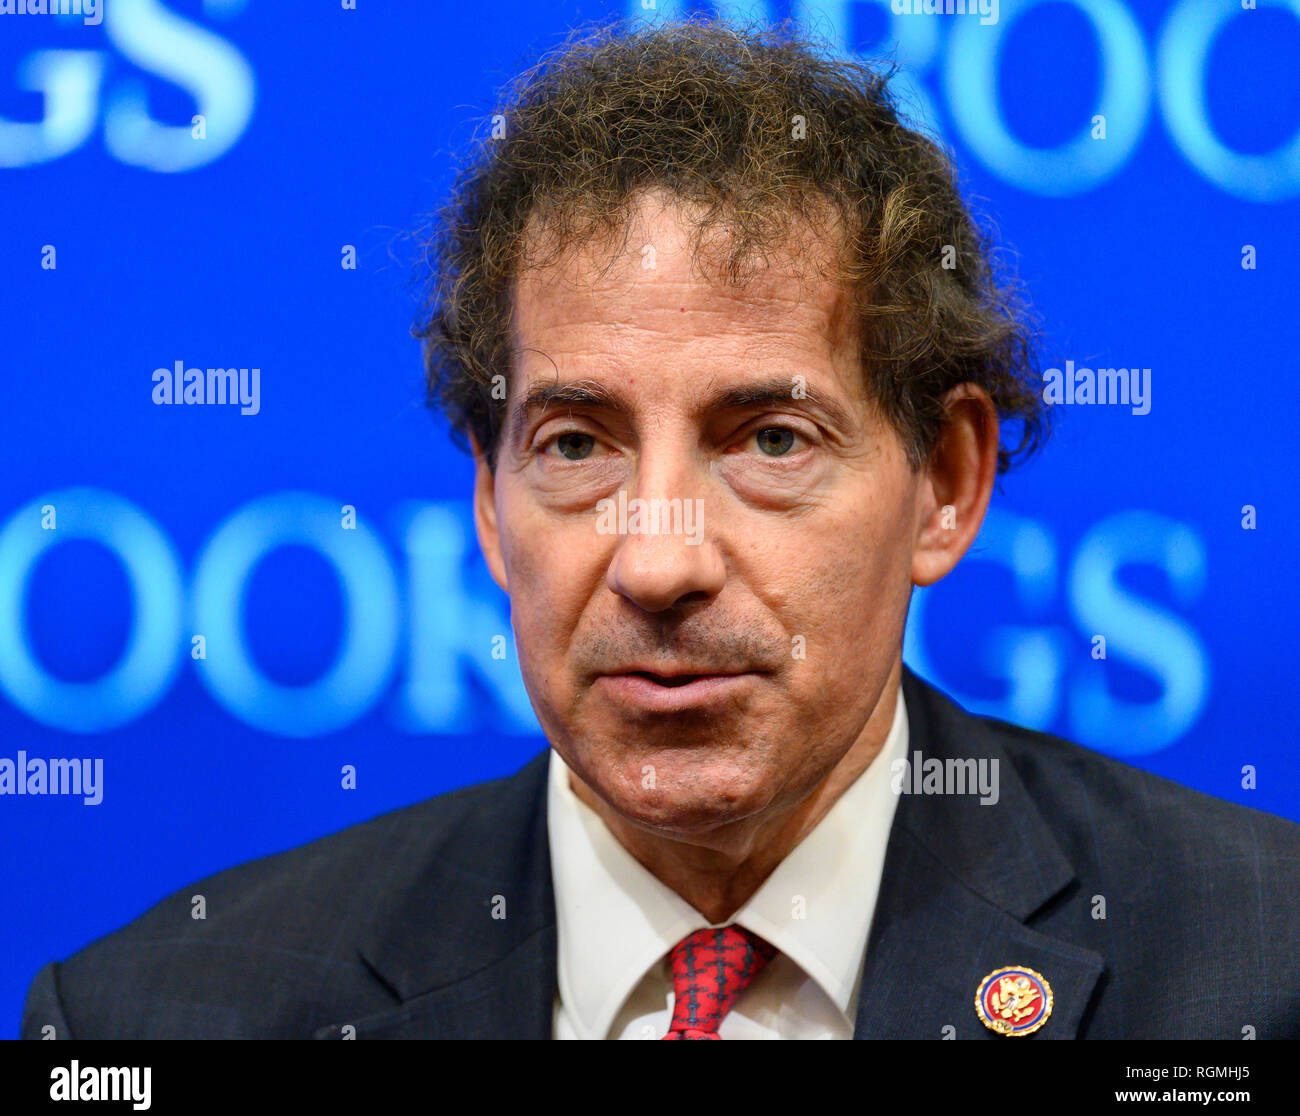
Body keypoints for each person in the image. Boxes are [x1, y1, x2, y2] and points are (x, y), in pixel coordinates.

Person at [22, 16, 1300, 1040]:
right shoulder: (163, 1016)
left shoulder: (1255, 968)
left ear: (946, 482)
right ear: (487, 497)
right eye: (575, 445)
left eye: (770, 440)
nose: (659, 558)